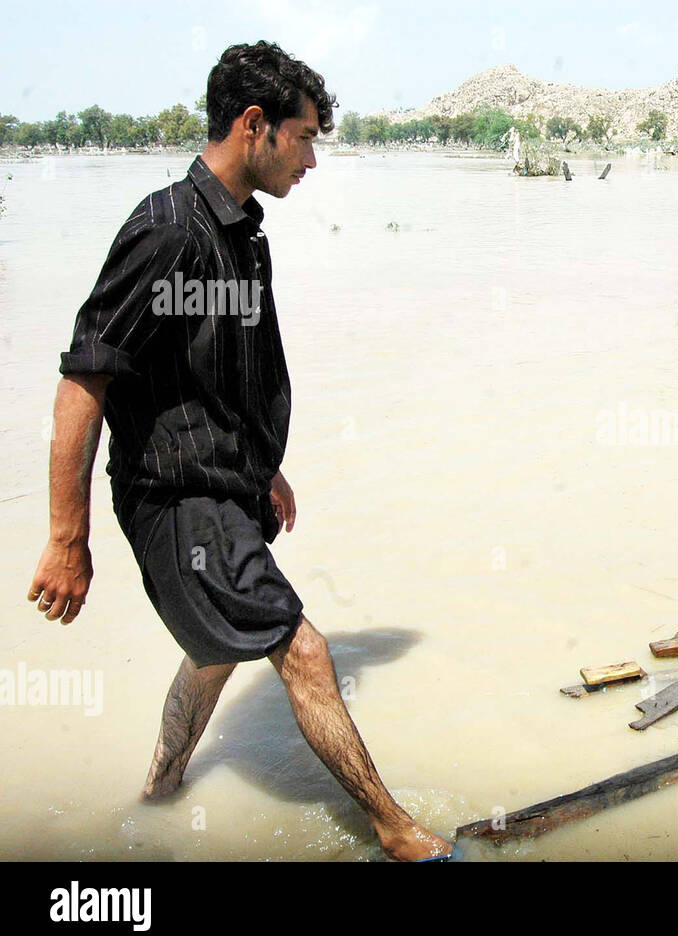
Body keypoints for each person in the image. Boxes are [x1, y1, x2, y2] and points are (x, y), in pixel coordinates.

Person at [26, 41, 453, 861]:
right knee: (301, 646)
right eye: (305, 135)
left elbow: (219, 373)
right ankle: (399, 833)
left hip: (228, 483)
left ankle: (157, 792)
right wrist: (66, 538)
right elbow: (85, 380)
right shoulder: (164, 232)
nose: (314, 158)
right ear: (254, 125)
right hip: (175, 497)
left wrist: (266, 467)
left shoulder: (242, 233)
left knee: (218, 645)